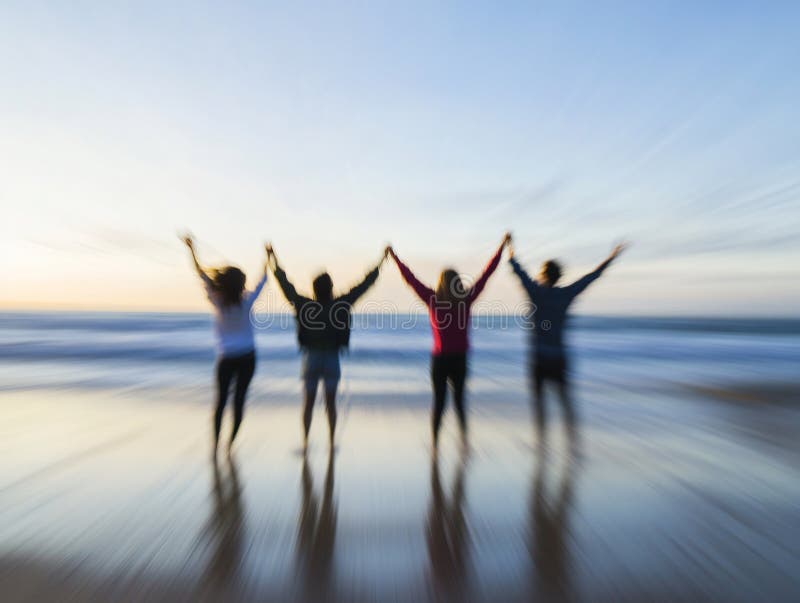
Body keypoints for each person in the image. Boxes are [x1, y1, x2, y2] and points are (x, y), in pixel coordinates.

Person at [387, 234, 510, 450]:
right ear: (458, 283)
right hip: (460, 359)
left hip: (440, 359)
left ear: (441, 283)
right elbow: (486, 274)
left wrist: (395, 257)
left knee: (439, 403)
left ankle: (434, 444)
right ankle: (463, 444)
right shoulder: (466, 299)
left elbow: (411, 279)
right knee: (459, 402)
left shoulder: (433, 300)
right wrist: (501, 247)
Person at [266, 245, 387, 449]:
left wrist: (273, 259)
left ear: (314, 288)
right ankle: (331, 443)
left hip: (310, 359)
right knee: (330, 404)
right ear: (331, 288)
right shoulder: (341, 305)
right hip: (332, 359)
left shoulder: (304, 305)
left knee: (308, 403)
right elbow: (364, 285)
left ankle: (305, 443)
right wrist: (381, 262)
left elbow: (286, 285)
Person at [508, 239, 626, 444]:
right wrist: (611, 258)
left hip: (538, 358)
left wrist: (510, 249)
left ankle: (541, 444)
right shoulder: (566, 294)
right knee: (564, 401)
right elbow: (591, 277)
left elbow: (518, 271)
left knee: (539, 403)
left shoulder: (535, 292)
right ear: (558, 276)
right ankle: (573, 442)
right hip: (559, 357)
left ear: (543, 275)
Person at [184, 235, 268, 457]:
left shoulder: (217, 300)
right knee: (239, 400)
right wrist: (268, 258)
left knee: (220, 402)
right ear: (241, 284)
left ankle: (215, 445)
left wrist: (191, 248)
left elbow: (200, 273)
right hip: (248, 358)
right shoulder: (247, 301)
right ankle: (230, 445)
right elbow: (263, 280)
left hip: (226, 358)